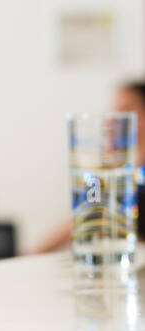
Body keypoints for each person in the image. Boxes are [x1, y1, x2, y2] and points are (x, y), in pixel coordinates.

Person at [31, 78, 145, 254]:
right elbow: (82, 217)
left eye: (126, 111)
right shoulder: (112, 170)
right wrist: (29, 254)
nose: (115, 121)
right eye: (114, 112)